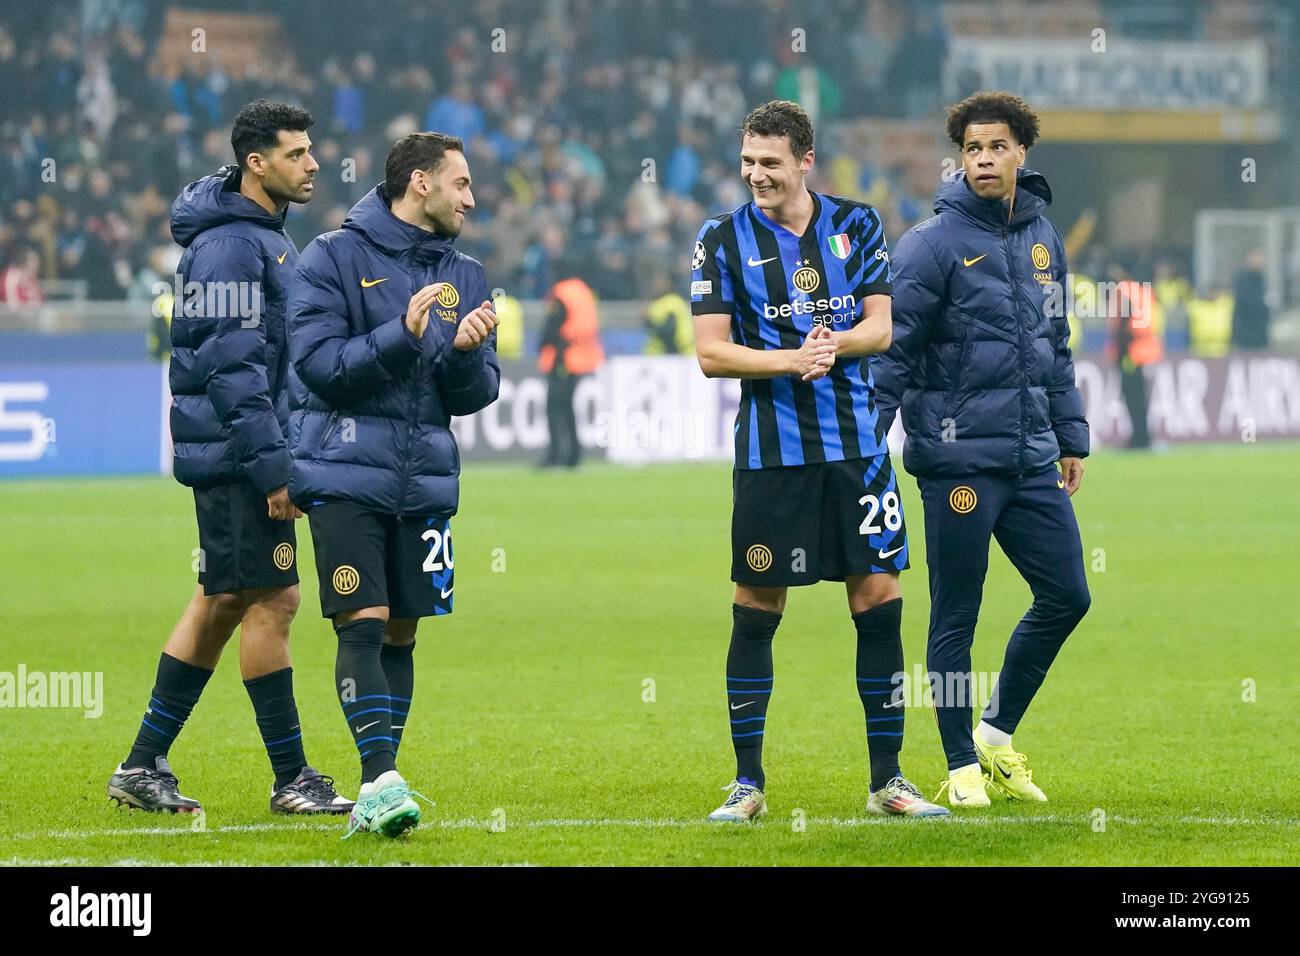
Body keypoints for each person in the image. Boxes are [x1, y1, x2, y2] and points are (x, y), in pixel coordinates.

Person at [691, 100, 948, 822]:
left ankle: (888, 781)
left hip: (859, 452)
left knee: (878, 602)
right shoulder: (719, 240)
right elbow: (711, 353)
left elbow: (882, 325)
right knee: (757, 604)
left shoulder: (858, 223)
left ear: (806, 160)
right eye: (747, 163)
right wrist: (788, 359)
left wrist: (832, 346)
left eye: (769, 163)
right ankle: (747, 784)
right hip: (773, 459)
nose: (756, 175)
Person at [107, 100, 352, 816]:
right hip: (240, 458)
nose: (312, 165)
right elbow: (233, 369)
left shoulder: (259, 238)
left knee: (222, 600)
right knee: (272, 600)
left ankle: (143, 762)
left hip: (237, 451)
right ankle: (291, 779)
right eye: (297, 153)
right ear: (257, 163)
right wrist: (273, 468)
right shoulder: (229, 248)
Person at [874, 91, 1091, 808]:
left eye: (997, 146)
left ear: (1022, 151)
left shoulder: (1044, 241)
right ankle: (959, 762)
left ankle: (995, 739)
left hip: (1030, 458)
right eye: (973, 149)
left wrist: (1070, 437)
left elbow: (1053, 347)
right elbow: (893, 354)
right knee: (955, 616)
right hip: (959, 465)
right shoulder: (929, 245)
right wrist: (865, 444)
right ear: (959, 158)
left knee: (1068, 594)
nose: (985, 159)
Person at [288, 132, 500, 837]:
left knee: (402, 633)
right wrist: (402, 337)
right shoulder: (333, 256)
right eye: (461, 184)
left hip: (426, 481)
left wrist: (466, 356)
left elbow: (475, 394)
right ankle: (380, 779)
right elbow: (317, 366)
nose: (472, 198)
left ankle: (381, 778)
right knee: (363, 620)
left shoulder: (467, 274)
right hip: (346, 475)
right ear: (420, 183)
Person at [537, 271, 603, 468]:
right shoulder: (583, 292)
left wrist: (543, 344)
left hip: (562, 359)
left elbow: (552, 326)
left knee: (555, 409)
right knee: (568, 409)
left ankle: (556, 454)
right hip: (581, 358)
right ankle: (573, 454)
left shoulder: (561, 294)